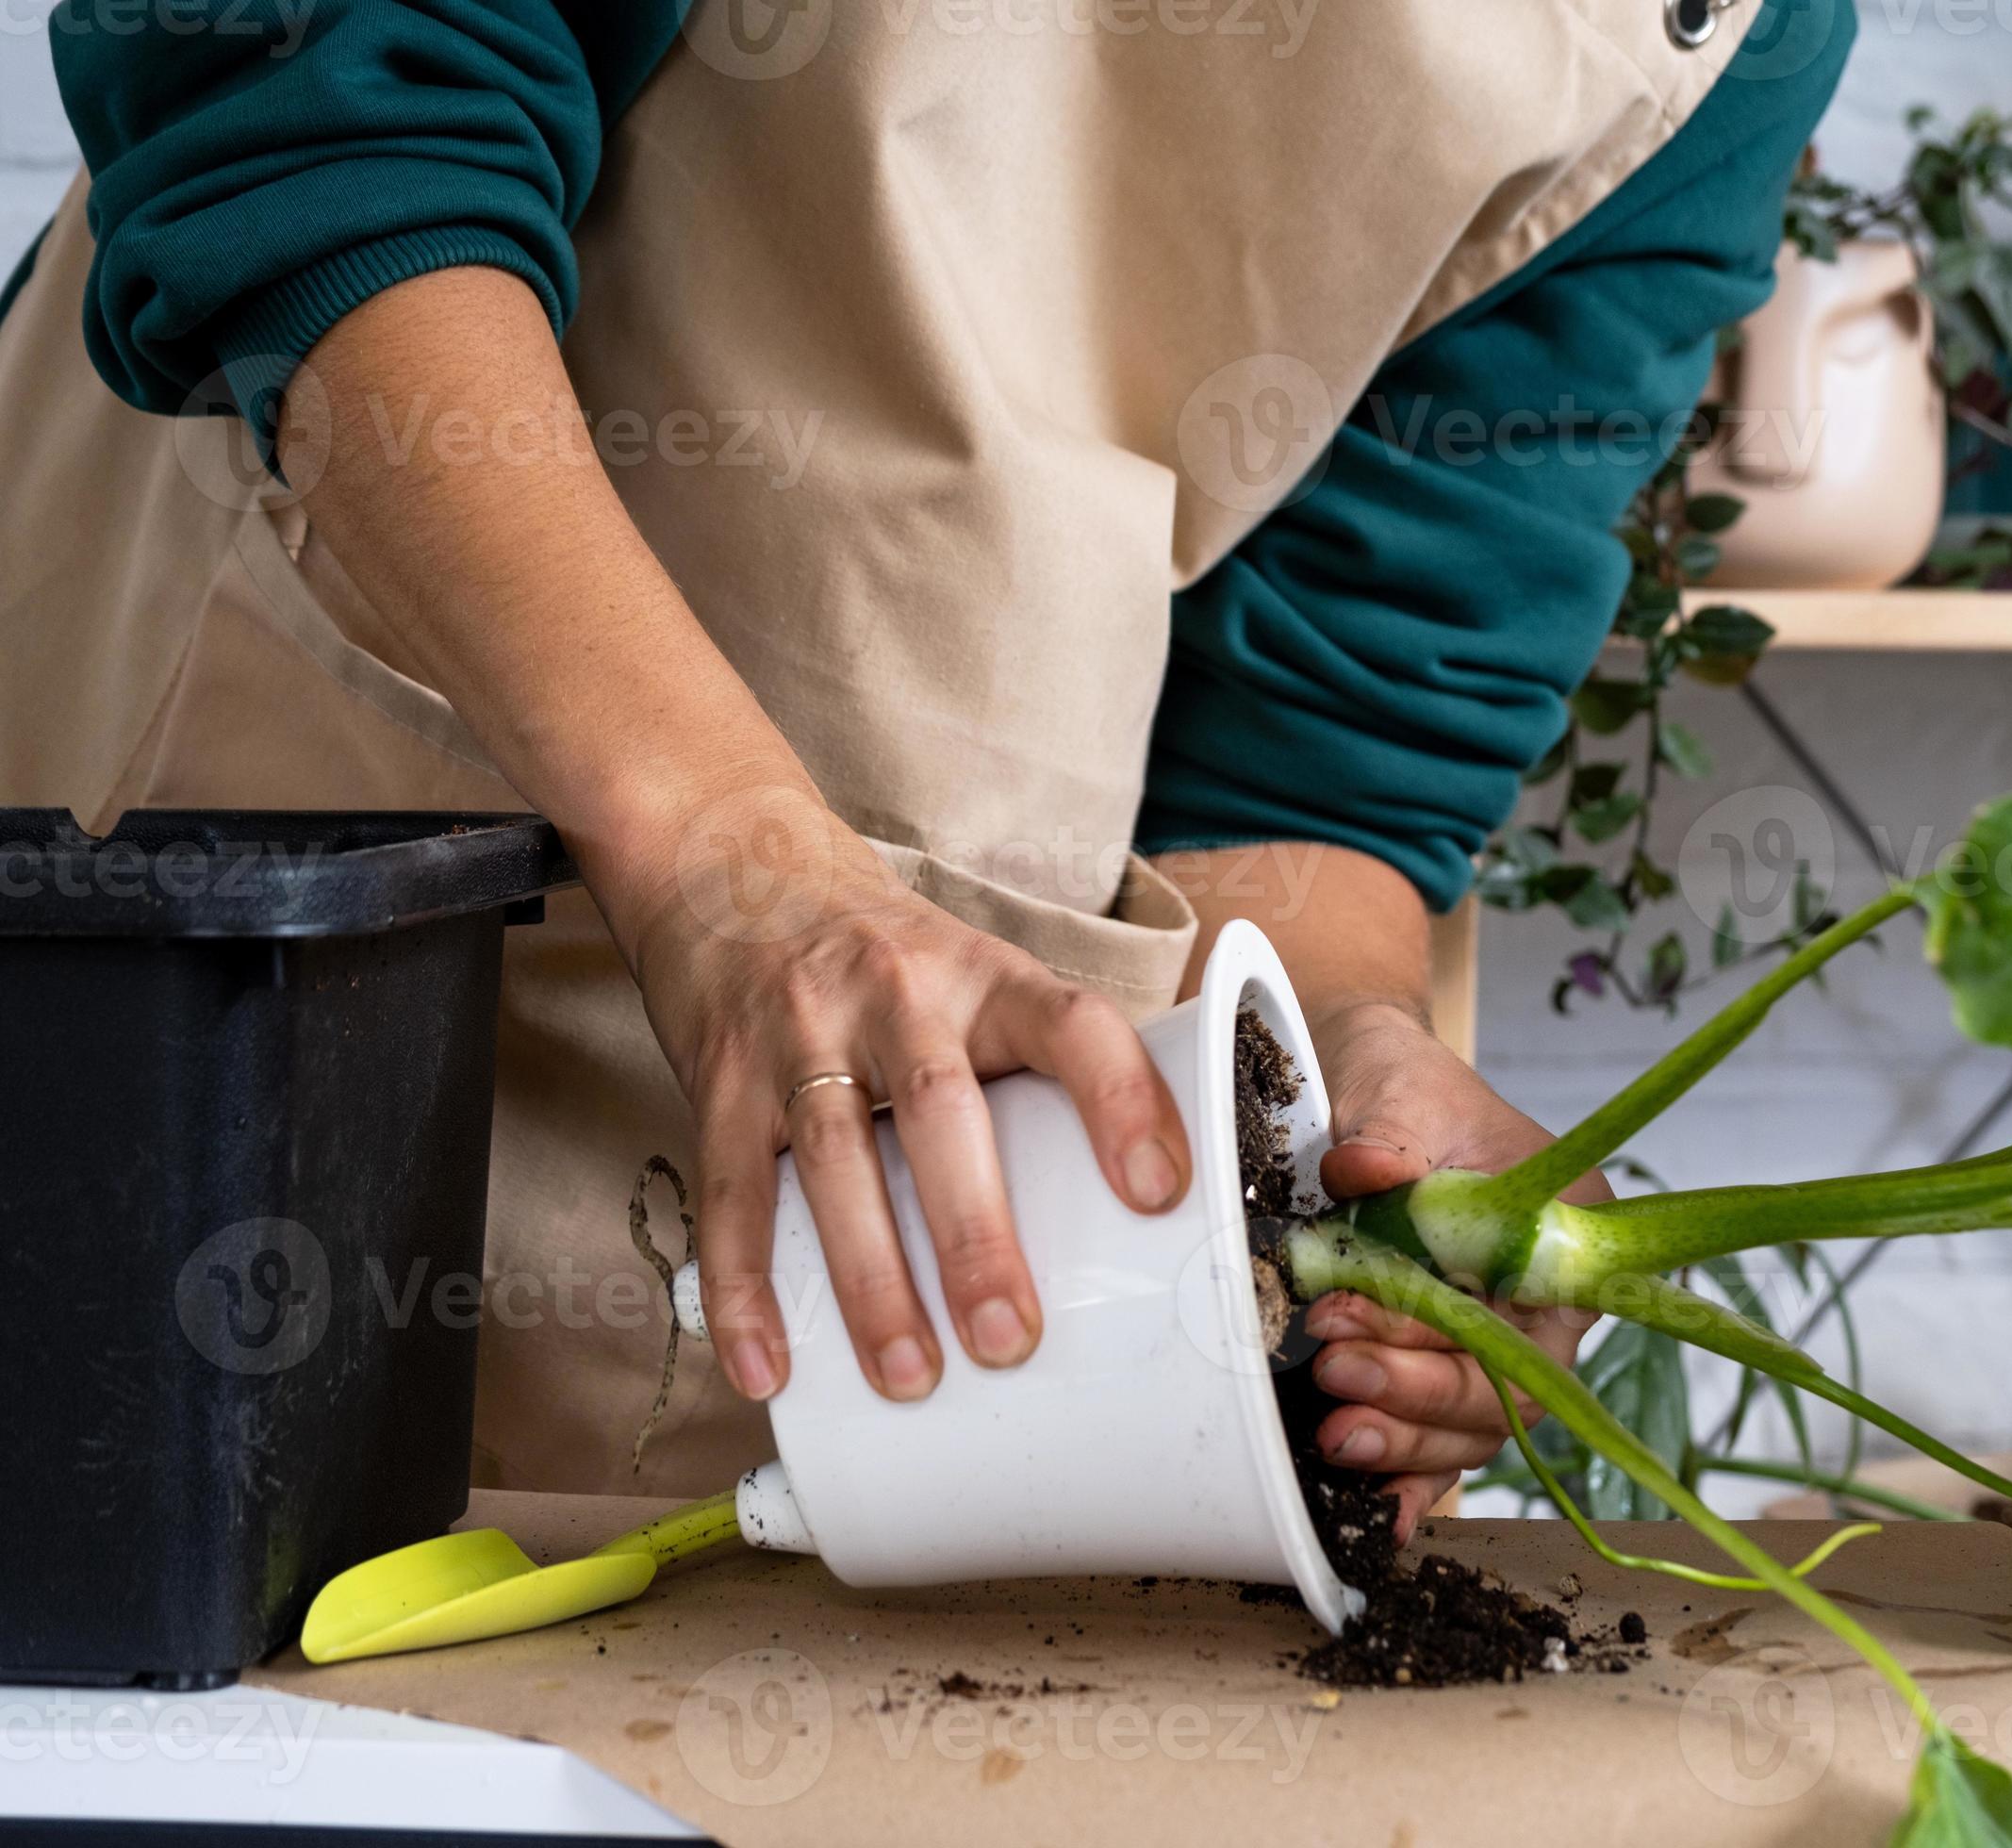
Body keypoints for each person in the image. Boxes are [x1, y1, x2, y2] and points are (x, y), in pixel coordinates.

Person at [0, 0, 1851, 1540]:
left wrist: (1331, 1069)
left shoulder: (1730, 35)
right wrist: (728, 852)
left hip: (906, 1098)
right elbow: (326, 114)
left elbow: (1343, 716)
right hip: (279, 826)